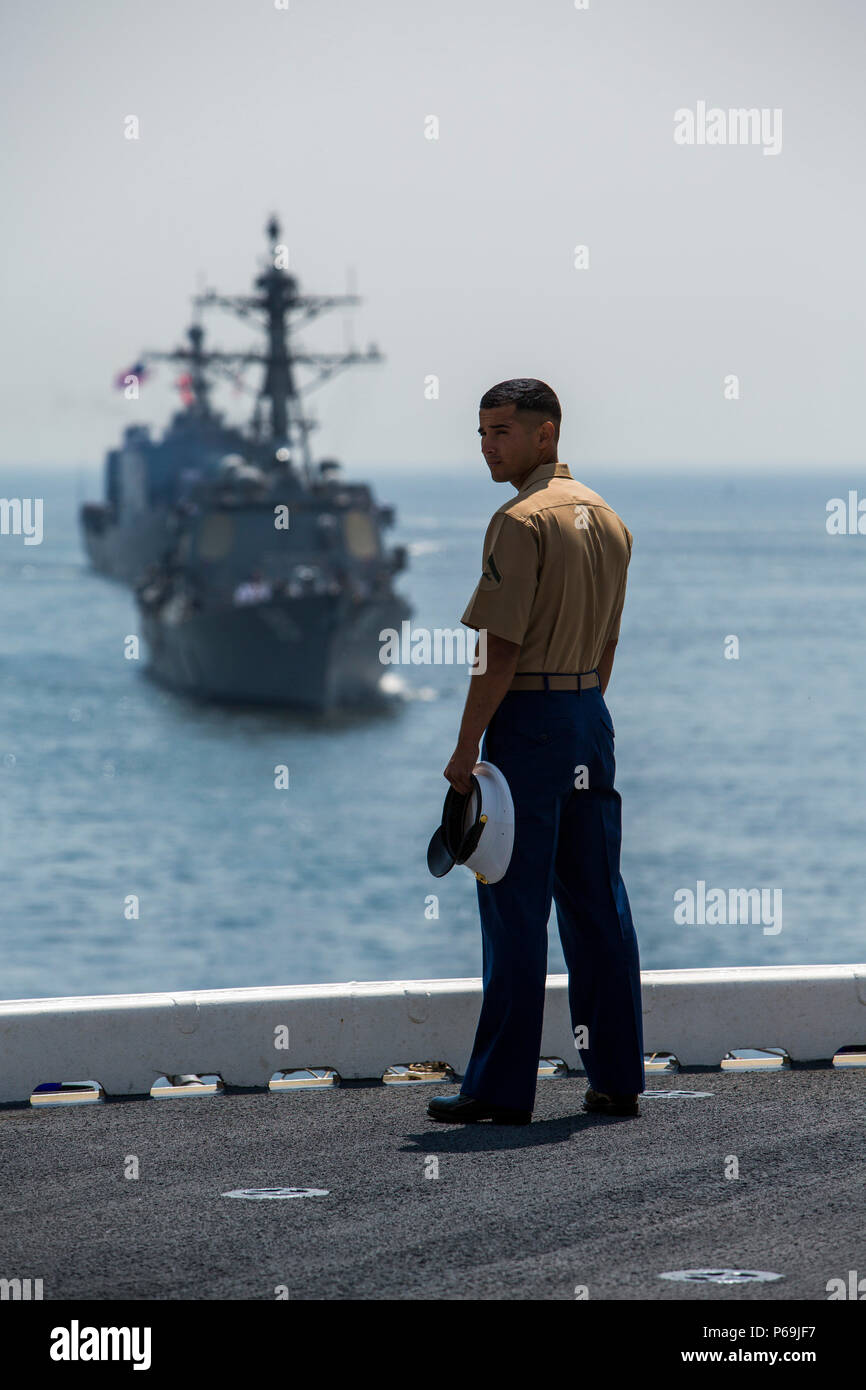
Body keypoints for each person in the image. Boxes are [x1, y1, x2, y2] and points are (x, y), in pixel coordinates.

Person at [428, 378, 644, 1126]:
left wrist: (466, 748)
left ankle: (499, 1089)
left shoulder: (518, 521)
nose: (489, 447)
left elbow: (501, 646)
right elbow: (610, 637)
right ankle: (617, 1079)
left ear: (544, 434)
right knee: (598, 904)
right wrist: (581, 703)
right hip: (589, 711)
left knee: (513, 906)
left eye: (502, 433)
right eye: (483, 433)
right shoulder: (609, 518)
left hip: (530, 721)